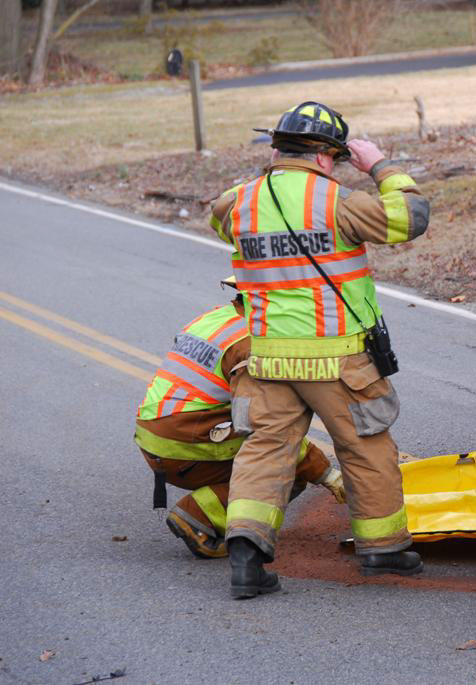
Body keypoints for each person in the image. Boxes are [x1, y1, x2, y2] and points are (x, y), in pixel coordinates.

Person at [209, 101, 430, 598]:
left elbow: (221, 213)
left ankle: (245, 556)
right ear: (330, 157)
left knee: (264, 449)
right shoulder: (340, 201)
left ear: (274, 148)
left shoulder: (239, 203)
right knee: (366, 445)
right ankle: (383, 549)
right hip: (337, 359)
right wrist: (378, 164)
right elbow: (411, 218)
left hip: (265, 359)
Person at [135, 281, 348, 560]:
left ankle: (214, 511)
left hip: (156, 433)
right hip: (187, 440)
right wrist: (328, 475)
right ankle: (198, 515)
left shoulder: (217, 317)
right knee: (281, 466)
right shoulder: (252, 343)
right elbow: (267, 428)